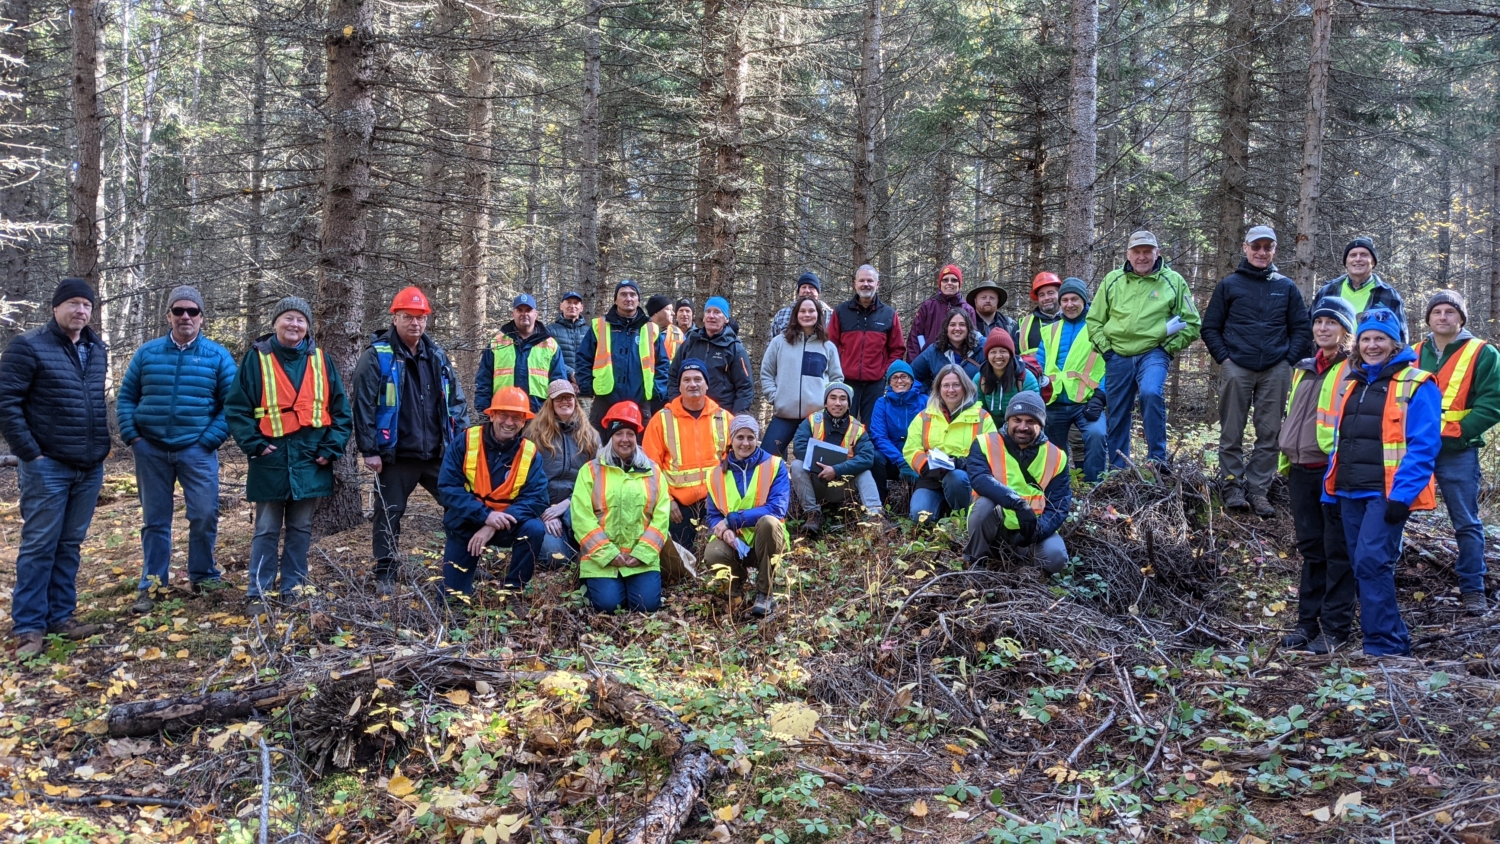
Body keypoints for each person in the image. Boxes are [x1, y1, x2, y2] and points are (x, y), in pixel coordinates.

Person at [0, 278, 111, 657]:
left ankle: (61, 617)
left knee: (69, 545)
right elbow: (7, 403)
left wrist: (100, 449)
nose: (80, 311)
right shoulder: (29, 346)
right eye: (73, 304)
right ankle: (29, 626)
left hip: (88, 465)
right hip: (47, 465)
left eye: (86, 305)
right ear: (56, 308)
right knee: (39, 544)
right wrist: (30, 452)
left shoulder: (97, 349)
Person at [1323, 306, 1441, 657]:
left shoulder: (1417, 383)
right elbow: (1342, 442)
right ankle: (1382, 637)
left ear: (1394, 343)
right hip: (1348, 490)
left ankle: (1385, 646)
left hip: (1385, 494)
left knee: (1372, 562)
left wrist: (1401, 497)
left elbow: (1424, 446)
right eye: (1366, 339)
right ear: (1357, 344)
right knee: (1360, 564)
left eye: (1381, 339)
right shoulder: (1354, 383)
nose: (1373, 346)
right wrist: (1330, 492)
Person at [224, 297, 354, 614]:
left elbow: (342, 414)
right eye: (288, 318)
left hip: (311, 460)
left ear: (308, 326)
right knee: (266, 528)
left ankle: (293, 588)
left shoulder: (323, 361)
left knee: (300, 529)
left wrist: (330, 449)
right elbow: (236, 409)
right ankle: (258, 593)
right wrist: (254, 445)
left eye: (300, 320)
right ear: (275, 323)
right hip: (270, 460)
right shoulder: (256, 360)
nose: (294, 325)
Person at [117, 285, 238, 612]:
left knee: (203, 514)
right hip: (151, 450)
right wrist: (134, 438)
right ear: (168, 315)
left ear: (201, 317)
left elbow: (233, 405)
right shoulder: (147, 353)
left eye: (192, 311)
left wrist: (208, 440)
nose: (185, 316)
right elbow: (127, 397)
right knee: (155, 520)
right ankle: (152, 585)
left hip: (197, 450)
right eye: (179, 310)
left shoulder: (217, 356)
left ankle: (203, 575)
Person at [350, 286, 467, 592]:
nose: (415, 323)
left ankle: (461, 567)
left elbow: (456, 401)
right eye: (407, 317)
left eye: (420, 317)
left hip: (437, 454)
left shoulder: (437, 356)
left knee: (460, 505)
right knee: (388, 514)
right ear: (395, 318)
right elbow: (363, 406)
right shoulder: (377, 356)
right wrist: (369, 450)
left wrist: (461, 442)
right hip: (396, 454)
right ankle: (386, 574)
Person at [1201, 225, 1311, 516]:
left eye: (1268, 247)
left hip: (1276, 368)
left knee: (1270, 433)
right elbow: (1210, 327)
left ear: (1274, 250)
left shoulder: (1285, 287)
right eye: (1256, 246)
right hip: (1236, 366)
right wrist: (1225, 359)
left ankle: (1259, 490)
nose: (1262, 252)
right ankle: (1232, 486)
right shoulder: (1229, 285)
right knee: (1231, 431)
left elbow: (1301, 328)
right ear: (1245, 247)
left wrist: (1287, 361)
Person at [1277, 297, 1357, 654]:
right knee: (1311, 549)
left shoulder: (1353, 369)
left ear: (1346, 330)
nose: (1323, 328)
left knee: (1336, 549)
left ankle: (1336, 628)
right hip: (1300, 467)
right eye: (1319, 321)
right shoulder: (1304, 367)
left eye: (1332, 322)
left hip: (1332, 470)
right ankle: (1306, 624)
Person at [1412, 290, 1500, 614]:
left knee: (1466, 522)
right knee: (1394, 512)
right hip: (1414, 450)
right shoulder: (1414, 352)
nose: (1443, 317)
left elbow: (1492, 404)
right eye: (1437, 312)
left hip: (1457, 451)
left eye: (1450, 312)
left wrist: (1460, 434)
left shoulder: (1483, 353)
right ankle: (1381, 580)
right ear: (1429, 319)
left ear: (1461, 318)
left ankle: (1473, 589)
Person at [1087, 230, 1201, 471]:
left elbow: (1192, 322)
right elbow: (1094, 320)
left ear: (1157, 253)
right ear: (1128, 255)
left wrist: (1167, 347)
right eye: (1137, 252)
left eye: (1147, 251)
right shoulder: (1112, 280)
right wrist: (1107, 351)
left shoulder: (1173, 281)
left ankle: (1157, 460)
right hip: (1117, 353)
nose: (1142, 257)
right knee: (1117, 412)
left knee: (1150, 392)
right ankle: (1119, 468)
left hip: (1154, 351)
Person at [436, 386, 548, 597]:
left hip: (506, 524)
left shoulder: (529, 453)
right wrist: (485, 516)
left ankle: (513, 589)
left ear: (524, 421)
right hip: (466, 522)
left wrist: (493, 524)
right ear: (492, 415)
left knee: (534, 528)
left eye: (516, 417)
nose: (509, 422)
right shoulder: (466, 441)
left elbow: (537, 498)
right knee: (452, 600)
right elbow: (448, 488)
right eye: (503, 415)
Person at [572, 401, 671, 613]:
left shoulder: (653, 471)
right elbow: (582, 518)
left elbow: (661, 517)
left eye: (630, 434)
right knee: (608, 606)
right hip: (600, 559)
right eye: (619, 434)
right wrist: (607, 553)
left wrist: (642, 553)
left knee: (646, 606)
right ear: (610, 437)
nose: (625, 439)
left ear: (637, 437)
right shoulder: (590, 471)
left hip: (641, 559)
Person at [964, 392, 1072, 574]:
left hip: (1030, 531)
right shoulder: (985, 443)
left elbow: (1059, 506)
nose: (1022, 427)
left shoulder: (1057, 457)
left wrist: (1034, 532)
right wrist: (1018, 504)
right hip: (994, 526)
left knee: (1056, 557)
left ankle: (1023, 567)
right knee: (983, 505)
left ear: (1041, 424)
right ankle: (976, 563)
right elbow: (980, 479)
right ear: (1008, 420)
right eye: (1017, 420)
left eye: (1030, 421)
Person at [704, 415, 791, 618]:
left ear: (757, 439)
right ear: (731, 440)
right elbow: (713, 515)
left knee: (769, 523)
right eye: (740, 437)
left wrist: (731, 521)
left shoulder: (775, 465)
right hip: (736, 542)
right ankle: (738, 581)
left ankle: (764, 591)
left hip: (768, 539)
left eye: (750, 437)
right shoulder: (715, 474)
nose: (745, 443)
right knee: (712, 553)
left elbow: (777, 509)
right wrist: (722, 529)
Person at [643, 359, 733, 551]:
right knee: (679, 557)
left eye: (698, 379)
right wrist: (668, 501)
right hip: (679, 505)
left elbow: (738, 460)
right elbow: (650, 467)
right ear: (680, 386)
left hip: (717, 501)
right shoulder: (661, 420)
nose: (693, 384)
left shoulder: (724, 418)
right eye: (687, 380)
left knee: (719, 553)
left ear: (707, 384)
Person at [904, 363, 997, 523]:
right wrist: (927, 466)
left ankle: (962, 520)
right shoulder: (924, 416)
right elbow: (911, 448)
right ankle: (943, 511)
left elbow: (992, 454)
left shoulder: (983, 418)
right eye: (945, 385)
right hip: (931, 478)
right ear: (939, 388)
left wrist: (959, 464)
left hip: (965, 479)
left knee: (955, 479)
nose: (951, 390)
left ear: (965, 387)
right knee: (919, 516)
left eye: (956, 385)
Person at [1036, 277, 1107, 483]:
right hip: (1054, 402)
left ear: (1084, 301)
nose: (1069, 304)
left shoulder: (1098, 329)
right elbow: (1038, 366)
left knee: (1096, 435)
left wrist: (1101, 397)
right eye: (1065, 300)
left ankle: (1094, 487)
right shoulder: (1050, 331)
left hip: (1088, 401)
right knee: (1050, 449)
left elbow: (1110, 366)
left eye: (1074, 299)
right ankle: (1058, 489)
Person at [524, 379, 600, 568]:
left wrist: (567, 504)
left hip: (578, 503)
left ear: (575, 400)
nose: (564, 402)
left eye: (569, 398)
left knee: (592, 546)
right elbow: (524, 479)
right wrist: (544, 511)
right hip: (544, 506)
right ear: (550, 403)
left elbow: (598, 478)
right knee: (555, 558)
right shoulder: (533, 434)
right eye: (559, 399)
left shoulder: (590, 435)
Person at [578, 279, 670, 435]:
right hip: (605, 398)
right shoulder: (599, 326)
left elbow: (663, 364)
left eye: (633, 294)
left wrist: (656, 390)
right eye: (623, 294)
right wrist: (588, 386)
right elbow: (583, 359)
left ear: (638, 300)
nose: (629, 298)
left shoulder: (650, 329)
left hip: (640, 399)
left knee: (641, 447)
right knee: (597, 445)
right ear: (615, 299)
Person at [790, 382, 884, 533]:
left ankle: (876, 517)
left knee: (865, 473)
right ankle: (812, 514)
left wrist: (836, 470)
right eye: (833, 398)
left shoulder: (857, 427)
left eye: (843, 399)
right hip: (815, 481)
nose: (838, 403)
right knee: (796, 465)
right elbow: (799, 447)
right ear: (826, 402)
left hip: (842, 485)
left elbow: (866, 457)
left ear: (848, 404)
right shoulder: (812, 421)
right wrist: (822, 468)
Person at [760, 295, 844, 458]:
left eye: (811, 311)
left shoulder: (827, 346)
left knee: (819, 462)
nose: (807, 315)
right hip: (784, 414)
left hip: (817, 418)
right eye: (802, 311)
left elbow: (837, 380)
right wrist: (775, 397)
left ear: (818, 315)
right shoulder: (779, 342)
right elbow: (767, 372)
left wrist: (828, 403)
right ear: (796, 315)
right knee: (766, 460)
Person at [828, 264, 905, 425]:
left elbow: (897, 349)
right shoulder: (841, 312)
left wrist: (884, 372)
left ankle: (866, 452)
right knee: (842, 425)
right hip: (845, 381)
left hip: (875, 383)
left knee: (872, 427)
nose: (866, 284)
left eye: (870, 280)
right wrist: (836, 373)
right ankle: (845, 452)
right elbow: (830, 346)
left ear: (878, 284)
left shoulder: (889, 314)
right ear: (855, 283)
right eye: (862, 280)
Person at [476, 293, 566, 414]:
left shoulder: (551, 345)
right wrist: (483, 412)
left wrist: (557, 415)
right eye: (520, 310)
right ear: (513, 313)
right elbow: (483, 381)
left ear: (536, 314)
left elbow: (559, 383)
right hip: (504, 413)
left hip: (539, 414)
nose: (524, 314)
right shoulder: (497, 343)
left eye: (528, 310)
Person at [667, 296, 754, 414]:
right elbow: (673, 375)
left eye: (717, 312)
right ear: (703, 317)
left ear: (726, 319)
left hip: (721, 414)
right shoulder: (691, 342)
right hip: (688, 411)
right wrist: (676, 402)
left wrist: (737, 417)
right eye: (708, 311)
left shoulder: (734, 348)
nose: (711, 316)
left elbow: (745, 387)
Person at [1314, 238, 1408, 341]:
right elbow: (1311, 326)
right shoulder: (1328, 291)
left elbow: (1401, 336)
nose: (1358, 259)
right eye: (1353, 255)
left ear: (1373, 262)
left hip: (1373, 354)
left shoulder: (1388, 294)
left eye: (1364, 255)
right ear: (1346, 262)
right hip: (1331, 355)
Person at [869, 360, 924, 498]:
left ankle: (917, 501)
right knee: (875, 457)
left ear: (911, 380)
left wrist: (915, 458)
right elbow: (879, 436)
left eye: (904, 376)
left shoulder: (926, 401)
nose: (899, 381)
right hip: (893, 458)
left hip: (920, 456)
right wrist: (901, 460)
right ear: (889, 382)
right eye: (895, 377)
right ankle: (880, 502)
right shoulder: (882, 403)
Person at [906, 264, 976, 361]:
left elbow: (973, 340)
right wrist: (913, 367)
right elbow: (915, 338)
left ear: (959, 284)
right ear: (940, 284)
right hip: (929, 364)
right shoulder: (928, 307)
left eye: (954, 280)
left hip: (959, 365)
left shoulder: (968, 310)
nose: (949, 283)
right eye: (945, 280)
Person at [973, 328, 1040, 419]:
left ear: (1011, 354)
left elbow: (1033, 414)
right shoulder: (980, 379)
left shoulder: (1026, 379)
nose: (998, 356)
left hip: (1019, 428)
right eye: (993, 352)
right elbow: (977, 410)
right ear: (987, 356)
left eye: (1003, 351)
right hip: (989, 427)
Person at [911, 308, 983, 388]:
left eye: (962, 324)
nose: (957, 328)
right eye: (952, 324)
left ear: (968, 328)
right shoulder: (934, 351)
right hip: (942, 399)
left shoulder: (981, 348)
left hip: (974, 399)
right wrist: (927, 394)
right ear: (946, 328)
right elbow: (911, 376)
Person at [769, 272, 833, 336]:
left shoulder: (831, 315)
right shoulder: (782, 314)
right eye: (804, 287)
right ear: (799, 291)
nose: (807, 290)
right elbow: (772, 342)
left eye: (811, 287)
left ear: (818, 292)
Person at [1017, 273, 1064, 356]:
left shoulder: (1072, 320)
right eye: (1042, 295)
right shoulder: (1022, 325)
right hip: (1031, 369)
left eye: (1050, 293)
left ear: (1060, 294)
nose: (1046, 298)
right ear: (1037, 298)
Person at [549, 291, 590, 381]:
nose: (572, 306)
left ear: (581, 308)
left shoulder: (589, 331)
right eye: (568, 302)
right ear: (561, 306)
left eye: (576, 303)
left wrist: (581, 377)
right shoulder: (549, 331)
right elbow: (548, 358)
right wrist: (571, 373)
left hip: (586, 382)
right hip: (559, 382)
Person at [967, 278, 1018, 345]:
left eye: (992, 298)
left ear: (998, 301)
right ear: (975, 301)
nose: (988, 300)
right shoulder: (967, 323)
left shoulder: (1009, 325)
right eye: (983, 297)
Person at [648, 294, 686, 364]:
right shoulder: (641, 331)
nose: (673, 313)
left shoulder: (678, 333)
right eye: (669, 309)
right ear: (656, 312)